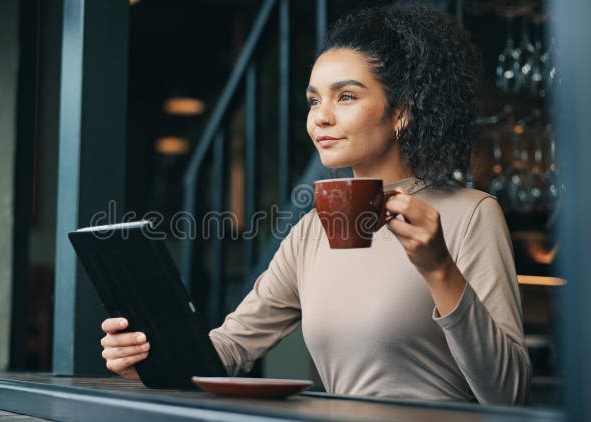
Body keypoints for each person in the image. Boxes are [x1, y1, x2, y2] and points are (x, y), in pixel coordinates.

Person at [99, 4, 531, 405]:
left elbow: (507, 394)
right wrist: (148, 358)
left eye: (345, 96)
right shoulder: (313, 228)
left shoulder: (470, 213)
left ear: (401, 111)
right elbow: (229, 349)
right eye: (313, 100)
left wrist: (440, 268)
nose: (320, 116)